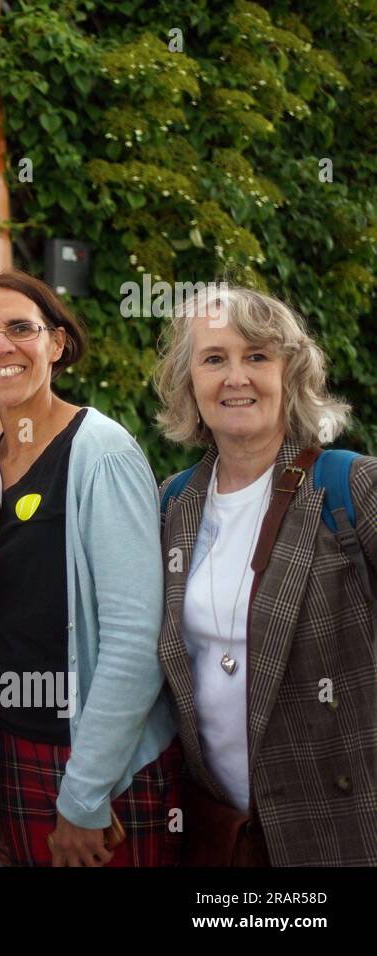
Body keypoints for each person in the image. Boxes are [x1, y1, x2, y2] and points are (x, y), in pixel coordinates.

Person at [0, 271, 180, 867]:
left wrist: (86, 796)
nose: (1, 346)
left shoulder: (102, 450)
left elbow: (133, 638)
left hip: (100, 764)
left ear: (58, 343)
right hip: (13, 750)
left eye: (22, 328)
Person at [153, 285, 376, 866]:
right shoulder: (170, 506)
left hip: (342, 826)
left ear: (290, 374)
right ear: (189, 383)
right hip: (228, 832)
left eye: (256, 356)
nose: (236, 377)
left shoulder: (350, 487)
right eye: (214, 358)